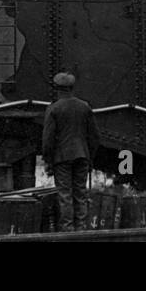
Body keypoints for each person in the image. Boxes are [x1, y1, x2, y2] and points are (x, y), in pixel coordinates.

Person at [42, 72, 101, 231]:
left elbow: (48, 139)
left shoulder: (53, 109)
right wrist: (90, 158)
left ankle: (67, 231)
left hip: (62, 158)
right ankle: (81, 229)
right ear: (72, 88)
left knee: (65, 196)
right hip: (82, 155)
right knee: (80, 194)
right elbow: (94, 137)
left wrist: (48, 160)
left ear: (56, 88)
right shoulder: (84, 107)